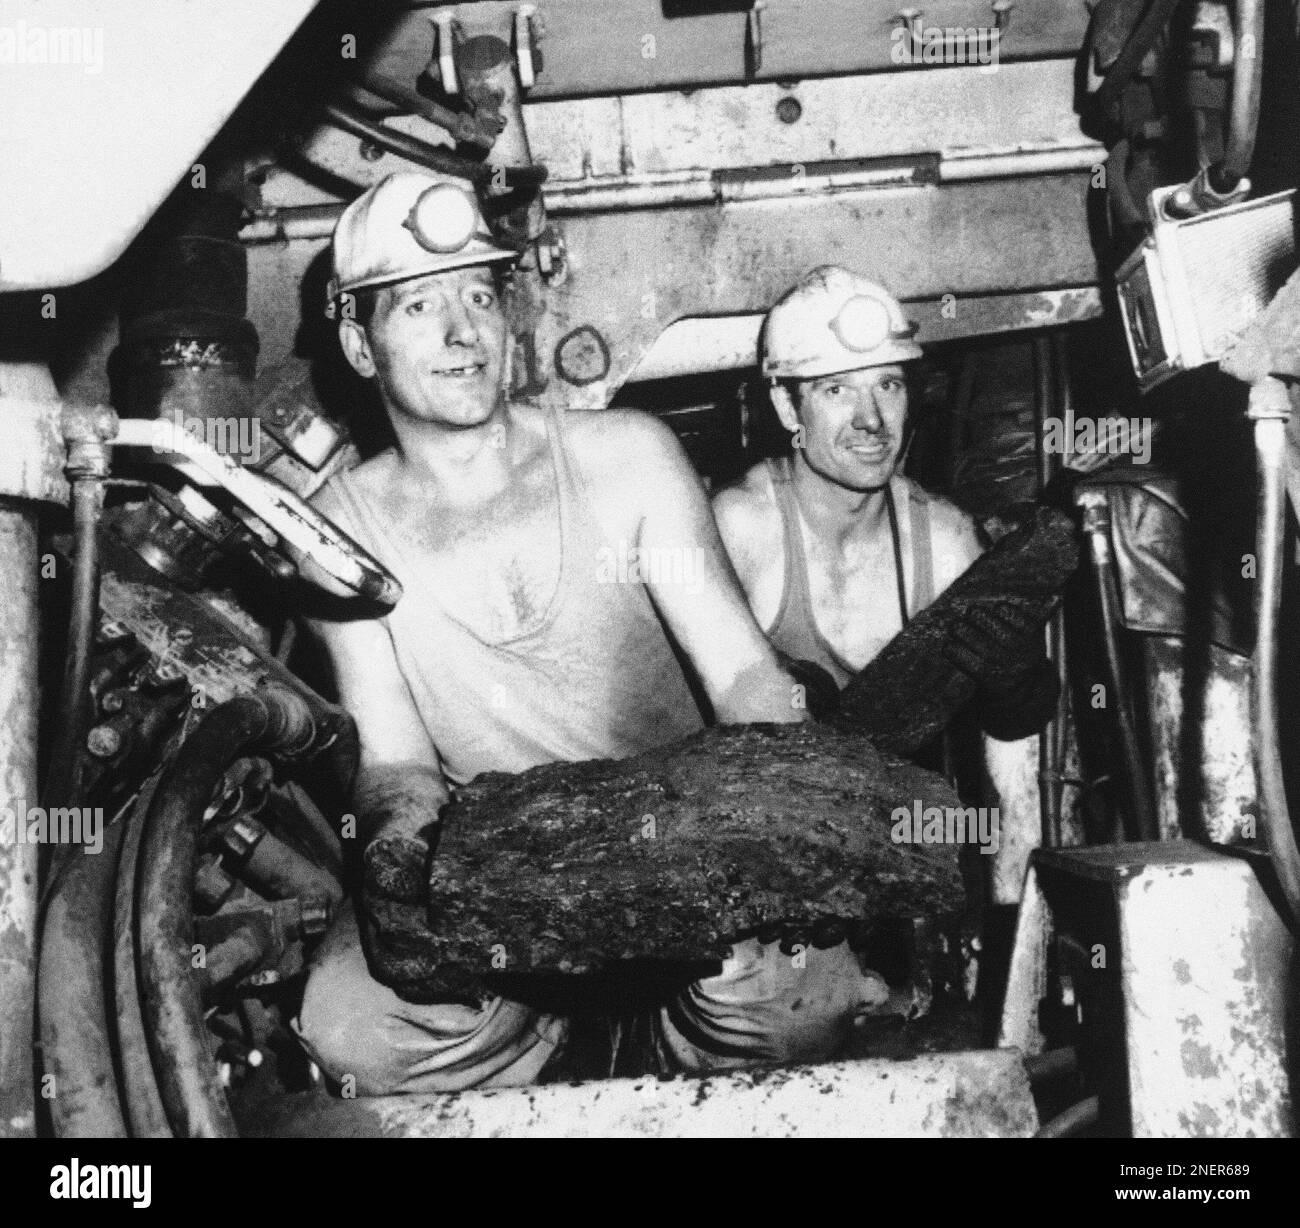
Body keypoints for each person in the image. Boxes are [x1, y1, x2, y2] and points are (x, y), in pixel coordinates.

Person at [292, 177, 889, 1095]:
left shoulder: (627, 459)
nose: (463, 332)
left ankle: (678, 1066)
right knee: (352, 1025)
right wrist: (404, 854)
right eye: (419, 304)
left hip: (680, 851)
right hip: (500, 880)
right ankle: (547, 1061)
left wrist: (780, 800)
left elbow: (738, 672)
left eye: (480, 296)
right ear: (357, 345)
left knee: (799, 994)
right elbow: (399, 759)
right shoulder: (338, 532)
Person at [713, 266, 1056, 740]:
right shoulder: (742, 528)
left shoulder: (946, 541)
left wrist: (1017, 685)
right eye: (837, 390)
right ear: (789, 408)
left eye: (887, 386)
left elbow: (1013, 728)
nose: (871, 420)